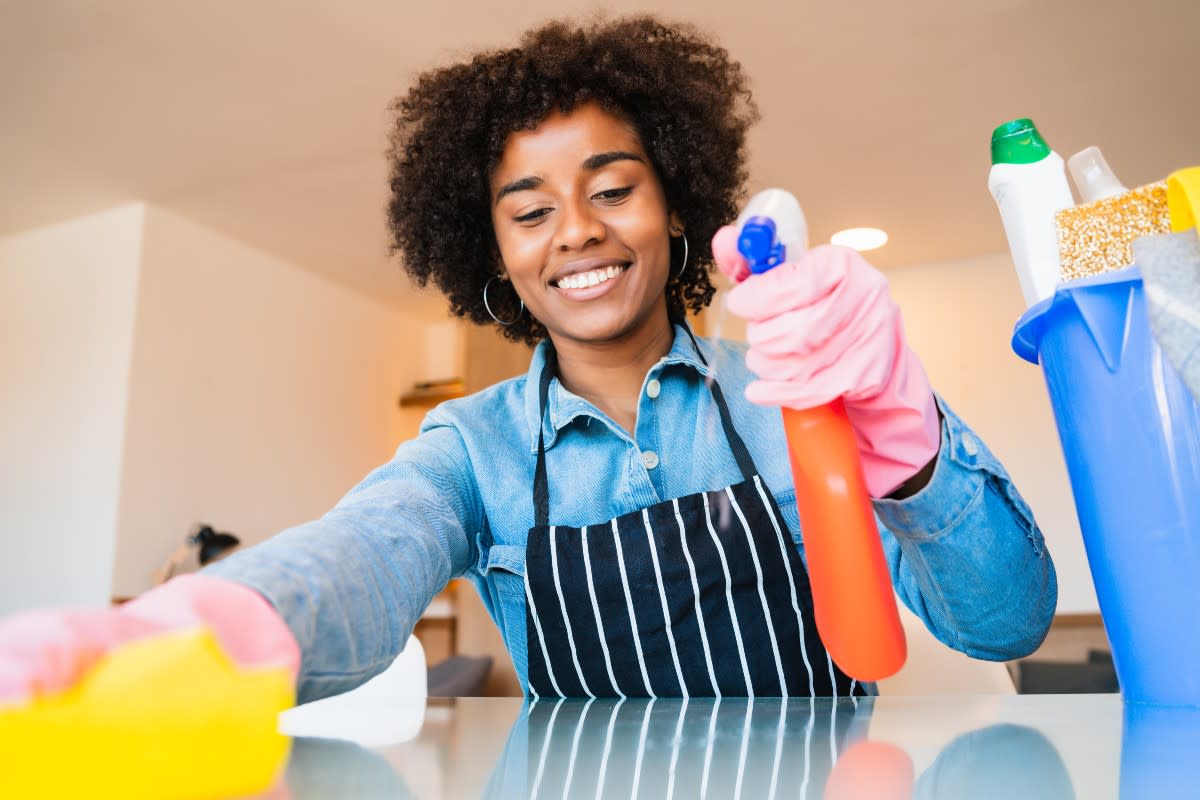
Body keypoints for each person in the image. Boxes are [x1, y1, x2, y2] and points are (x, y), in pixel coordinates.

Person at [0, 16, 1055, 705]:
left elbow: (1005, 620)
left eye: (613, 187)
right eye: (530, 208)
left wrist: (904, 438)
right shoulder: (473, 447)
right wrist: (205, 631)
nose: (577, 231)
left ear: (676, 201)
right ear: (494, 254)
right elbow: (365, 553)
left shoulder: (790, 390)